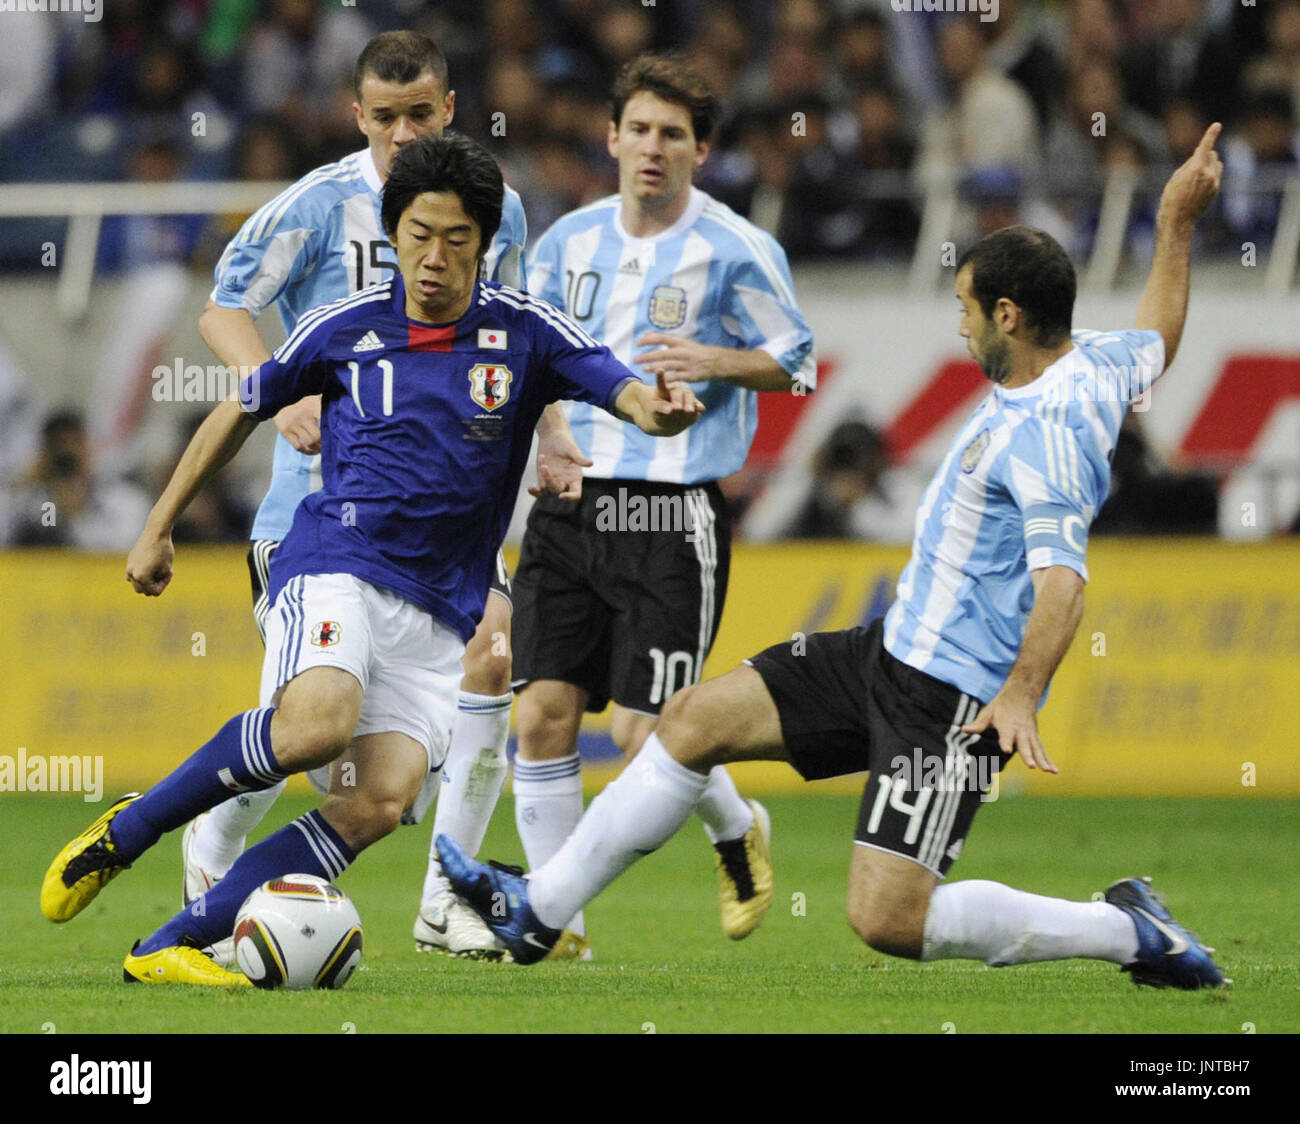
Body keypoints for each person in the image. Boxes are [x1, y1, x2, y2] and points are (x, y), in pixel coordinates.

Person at [438, 125, 1230, 992]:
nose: (960, 330)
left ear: (1009, 315)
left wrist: (1019, 696)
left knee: (888, 918)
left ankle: (1128, 932)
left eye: (968, 311)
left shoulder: (1046, 431)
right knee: (693, 720)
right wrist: (1175, 222)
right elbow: (1157, 336)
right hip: (887, 653)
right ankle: (537, 912)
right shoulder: (1095, 365)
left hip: (952, 700)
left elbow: (1063, 581)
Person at [39, 132, 704, 987]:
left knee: (378, 801)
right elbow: (239, 410)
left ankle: (169, 943)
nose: (435, 258)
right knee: (316, 723)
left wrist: (665, 411)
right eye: (419, 235)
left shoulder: (527, 334)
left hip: (443, 609)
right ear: (395, 236)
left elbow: (629, 395)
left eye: (457, 239)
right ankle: (126, 832)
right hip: (336, 561)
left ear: (487, 242)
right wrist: (157, 526)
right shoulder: (344, 326)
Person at [190, 30, 584, 961]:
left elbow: (526, 340)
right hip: (318, 518)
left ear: (450, 109)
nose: (403, 134)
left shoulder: (499, 210)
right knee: (305, 743)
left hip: (451, 516)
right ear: (354, 114)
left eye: (420, 114)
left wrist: (554, 436)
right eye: (384, 117)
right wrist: (272, 392)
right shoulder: (321, 206)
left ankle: (448, 895)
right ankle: (210, 853)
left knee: (497, 654)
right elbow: (225, 304)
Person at [440, 53, 816, 959]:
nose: (653, 149)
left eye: (673, 135)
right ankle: (558, 922)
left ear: (702, 150)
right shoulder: (566, 242)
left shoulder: (735, 249)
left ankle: (737, 827)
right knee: (542, 713)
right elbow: (528, 357)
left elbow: (795, 357)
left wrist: (714, 361)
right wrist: (541, 436)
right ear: (611, 138)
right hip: (570, 503)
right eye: (639, 130)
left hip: (671, 512)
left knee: (650, 728)